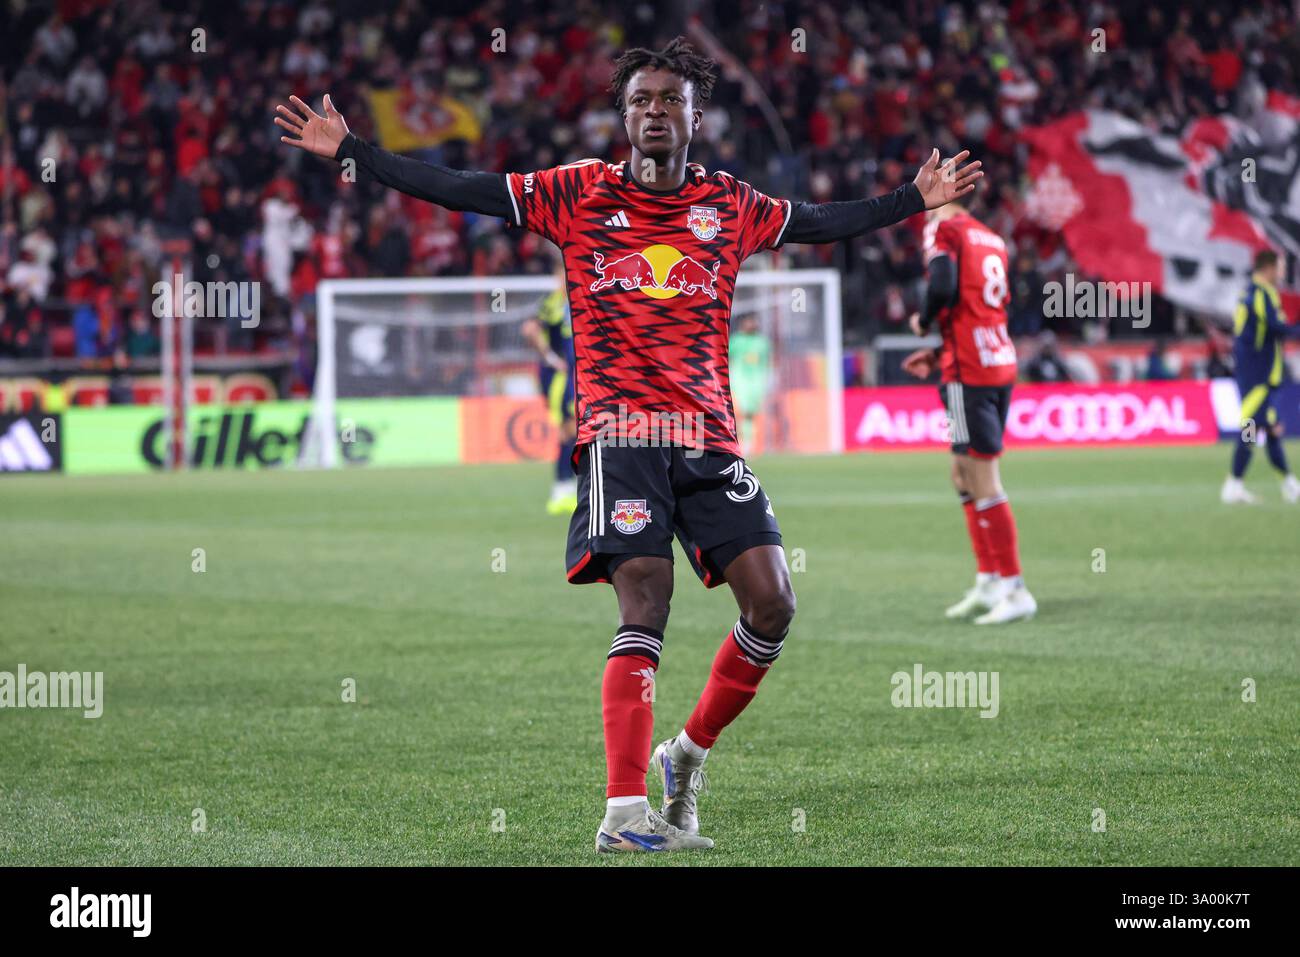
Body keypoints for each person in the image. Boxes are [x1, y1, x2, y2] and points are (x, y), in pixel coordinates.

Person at [276, 36, 981, 853]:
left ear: (694, 116)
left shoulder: (734, 205)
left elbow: (821, 223)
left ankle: (684, 756)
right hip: (622, 433)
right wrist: (356, 151)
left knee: (774, 602)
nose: (655, 112)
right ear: (624, 115)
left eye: (669, 101)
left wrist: (911, 200)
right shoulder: (575, 193)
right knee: (647, 599)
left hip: (709, 436)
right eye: (641, 100)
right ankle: (622, 814)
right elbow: (462, 189)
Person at [904, 190, 1035, 624]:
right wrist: (942, 348)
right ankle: (990, 578)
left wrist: (923, 324)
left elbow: (941, 286)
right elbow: (980, 306)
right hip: (996, 359)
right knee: (961, 472)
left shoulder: (942, 228)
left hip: (969, 371)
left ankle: (1014, 588)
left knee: (982, 476)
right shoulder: (992, 238)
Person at [1220, 249, 1300, 505]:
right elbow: (1277, 328)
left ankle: (1285, 485)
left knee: (1260, 430)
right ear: (1268, 268)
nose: (1283, 271)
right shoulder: (1260, 294)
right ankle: (1235, 484)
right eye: (1280, 266)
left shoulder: (1253, 293)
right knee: (1254, 429)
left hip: (1258, 373)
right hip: (1258, 375)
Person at [520, 257, 578, 514]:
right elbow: (529, 330)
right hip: (562, 379)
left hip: (578, 377)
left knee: (575, 432)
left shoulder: (580, 301)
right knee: (570, 430)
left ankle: (568, 488)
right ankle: (562, 489)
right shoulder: (554, 303)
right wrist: (552, 359)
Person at [729, 314, 770, 456]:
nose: (751, 323)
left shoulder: (762, 342)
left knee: (751, 415)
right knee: (739, 413)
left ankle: (748, 445)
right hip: (739, 382)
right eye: (748, 321)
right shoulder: (735, 340)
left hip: (756, 383)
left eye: (753, 321)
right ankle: (738, 444)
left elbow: (766, 363)